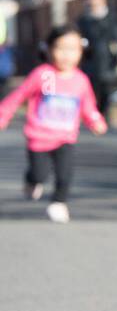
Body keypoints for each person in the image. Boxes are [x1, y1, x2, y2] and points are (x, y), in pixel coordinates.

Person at [0, 25, 108, 222]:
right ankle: (32, 180)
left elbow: (88, 106)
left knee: (65, 173)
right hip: (39, 137)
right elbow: (19, 95)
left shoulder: (81, 80)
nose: (67, 55)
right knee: (39, 173)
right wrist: (3, 115)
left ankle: (59, 202)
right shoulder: (43, 75)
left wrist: (95, 121)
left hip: (65, 137)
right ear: (48, 50)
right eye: (61, 48)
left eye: (73, 49)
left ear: (82, 52)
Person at [76, 0, 117, 127]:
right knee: (91, 88)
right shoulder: (83, 20)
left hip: (108, 59)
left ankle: (103, 113)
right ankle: (92, 114)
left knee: (106, 87)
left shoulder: (111, 18)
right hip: (90, 59)